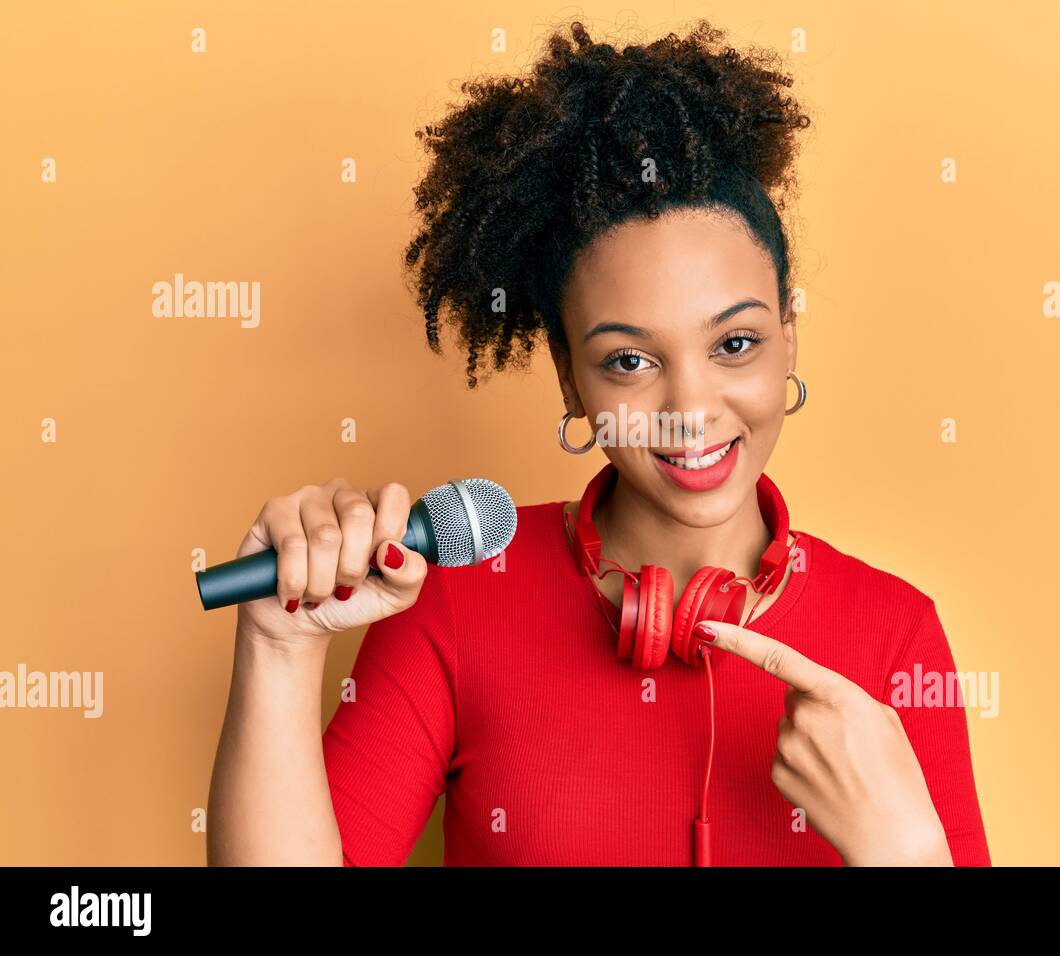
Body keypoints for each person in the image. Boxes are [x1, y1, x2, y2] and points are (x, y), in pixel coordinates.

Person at [206, 18, 991, 867]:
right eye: (628, 359)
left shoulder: (896, 634)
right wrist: (279, 651)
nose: (690, 409)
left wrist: (906, 852)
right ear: (569, 378)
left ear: (789, 340)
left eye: (735, 344)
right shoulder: (455, 602)